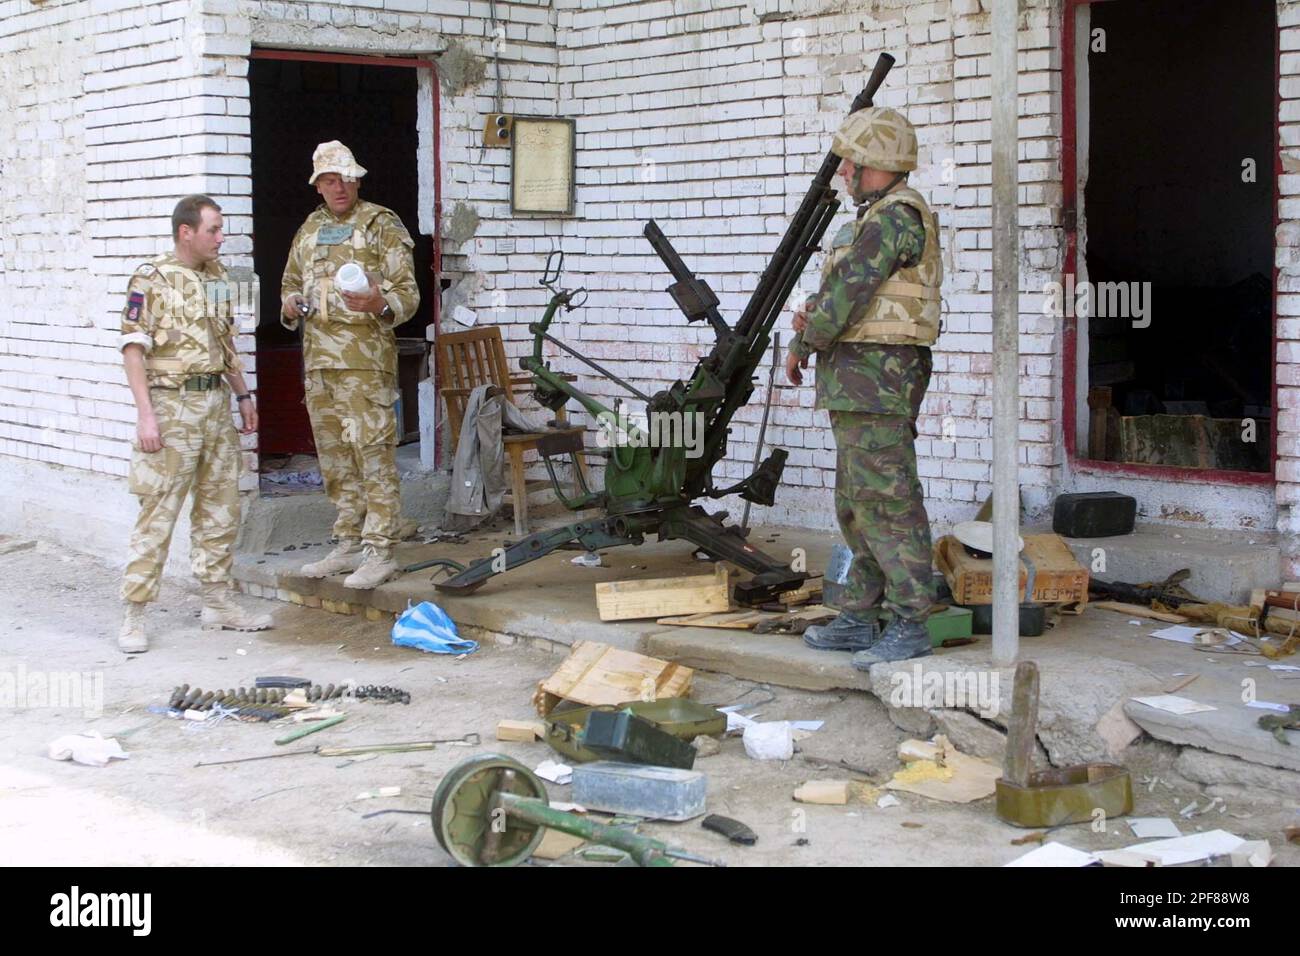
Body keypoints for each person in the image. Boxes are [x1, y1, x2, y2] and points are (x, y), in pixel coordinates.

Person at [787, 107, 942, 668]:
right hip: (857, 380)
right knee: (856, 502)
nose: (844, 170)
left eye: (851, 160)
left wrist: (809, 338)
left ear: (874, 165)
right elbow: (842, 295)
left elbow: (849, 292)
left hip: (880, 380)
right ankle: (861, 614)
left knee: (888, 501)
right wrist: (809, 333)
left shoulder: (895, 216)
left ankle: (910, 621)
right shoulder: (877, 216)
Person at [118, 195, 273, 653]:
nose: (221, 238)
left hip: (214, 407)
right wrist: (146, 415)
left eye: (221, 230)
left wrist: (243, 394)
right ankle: (134, 613)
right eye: (213, 230)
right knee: (158, 513)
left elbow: (225, 342)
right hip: (171, 410)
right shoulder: (151, 279)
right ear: (186, 232)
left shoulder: (221, 279)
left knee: (221, 509)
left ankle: (217, 602)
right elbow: (132, 349)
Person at [280, 141, 420, 590]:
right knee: (336, 459)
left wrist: (381, 303)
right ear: (318, 185)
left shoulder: (381, 224)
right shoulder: (309, 228)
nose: (339, 187)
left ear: (358, 180)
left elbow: (409, 293)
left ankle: (380, 550)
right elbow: (288, 284)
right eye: (330, 180)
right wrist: (289, 304)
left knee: (372, 455)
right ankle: (348, 542)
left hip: (365, 364)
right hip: (318, 364)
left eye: (346, 178)